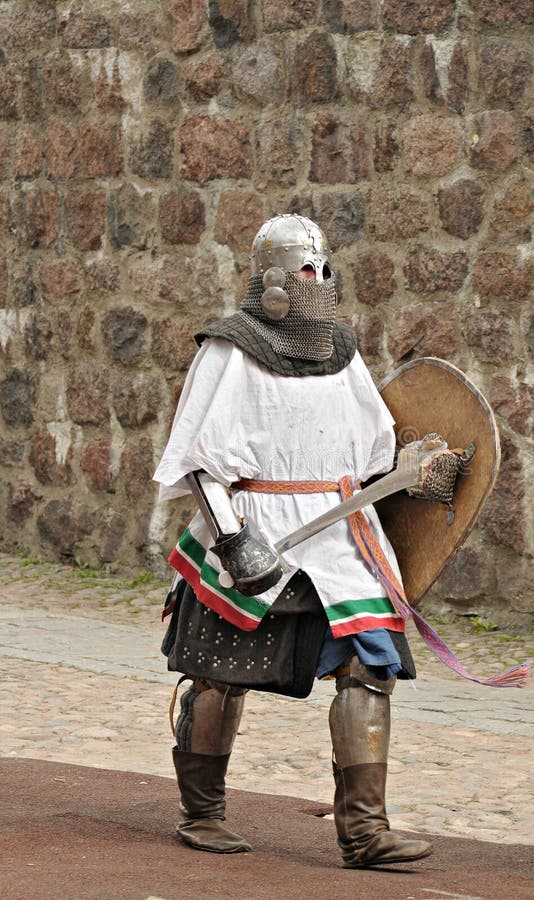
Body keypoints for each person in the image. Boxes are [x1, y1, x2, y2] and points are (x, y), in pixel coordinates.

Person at [153, 213, 434, 868]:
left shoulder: (341, 349)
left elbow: (369, 447)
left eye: (321, 267)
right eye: (303, 267)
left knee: (371, 665)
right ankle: (202, 813)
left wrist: (411, 466)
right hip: (255, 527)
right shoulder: (230, 346)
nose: (316, 279)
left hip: (339, 536)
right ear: (271, 274)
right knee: (219, 675)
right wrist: (231, 539)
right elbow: (198, 456)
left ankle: (364, 832)